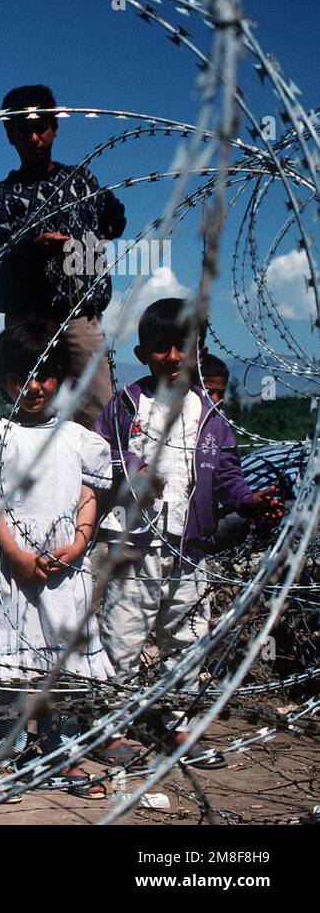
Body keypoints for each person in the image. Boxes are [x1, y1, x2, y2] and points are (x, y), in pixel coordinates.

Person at [94, 299, 282, 764]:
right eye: (161, 348)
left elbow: (228, 477)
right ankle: (108, 729)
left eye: (184, 346)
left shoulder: (210, 413)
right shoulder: (126, 404)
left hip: (189, 548)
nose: (173, 357)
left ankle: (178, 727)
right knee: (122, 636)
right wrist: (133, 469)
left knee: (187, 640)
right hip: (134, 546)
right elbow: (97, 453)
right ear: (143, 355)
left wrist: (250, 502)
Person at [0, 320, 114, 799]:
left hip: (64, 571)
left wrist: (79, 544)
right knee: (8, 671)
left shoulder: (80, 440)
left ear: (60, 377)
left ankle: (60, 753)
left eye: (44, 375)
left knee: (63, 672)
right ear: (4, 380)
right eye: (21, 375)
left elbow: (89, 497)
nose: (34, 386)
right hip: (9, 570)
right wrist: (16, 554)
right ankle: (3, 754)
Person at [0, 84, 127, 426]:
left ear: (55, 128)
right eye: (23, 131)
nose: (34, 138)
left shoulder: (82, 181)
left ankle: (105, 461)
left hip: (79, 314)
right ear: (10, 136)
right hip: (27, 320)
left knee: (99, 411)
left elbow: (114, 213)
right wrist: (34, 250)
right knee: (32, 412)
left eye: (41, 128)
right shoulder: (2, 197)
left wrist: (107, 228)